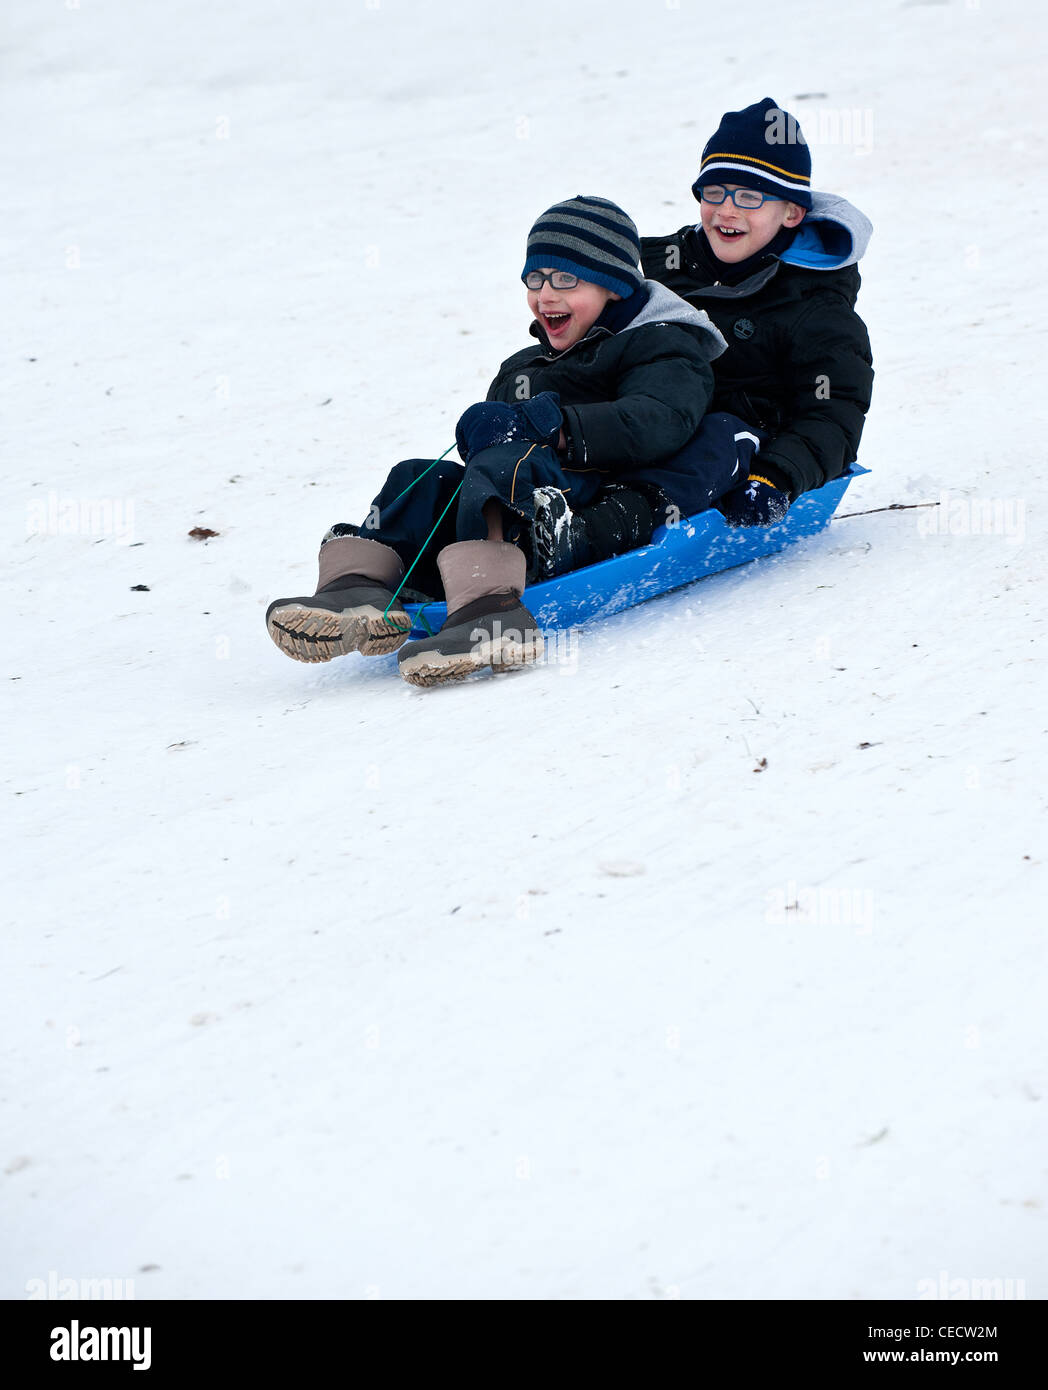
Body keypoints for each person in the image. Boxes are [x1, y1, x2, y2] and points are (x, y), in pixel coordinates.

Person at [265, 195, 735, 687]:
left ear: (614, 286)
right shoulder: (523, 368)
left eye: (566, 280)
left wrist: (554, 427)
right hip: (515, 498)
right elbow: (486, 463)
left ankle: (492, 613)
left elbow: (659, 420)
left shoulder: (662, 343)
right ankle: (360, 588)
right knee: (417, 477)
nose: (545, 294)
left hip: (592, 499)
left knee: (509, 466)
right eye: (535, 279)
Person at [548, 97, 874, 562]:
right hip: (648, 418)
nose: (726, 211)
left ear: (792, 212)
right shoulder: (658, 267)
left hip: (735, 450)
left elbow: (833, 413)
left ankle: (587, 534)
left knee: (716, 435)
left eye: (749, 197)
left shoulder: (818, 310)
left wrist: (778, 475)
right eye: (714, 192)